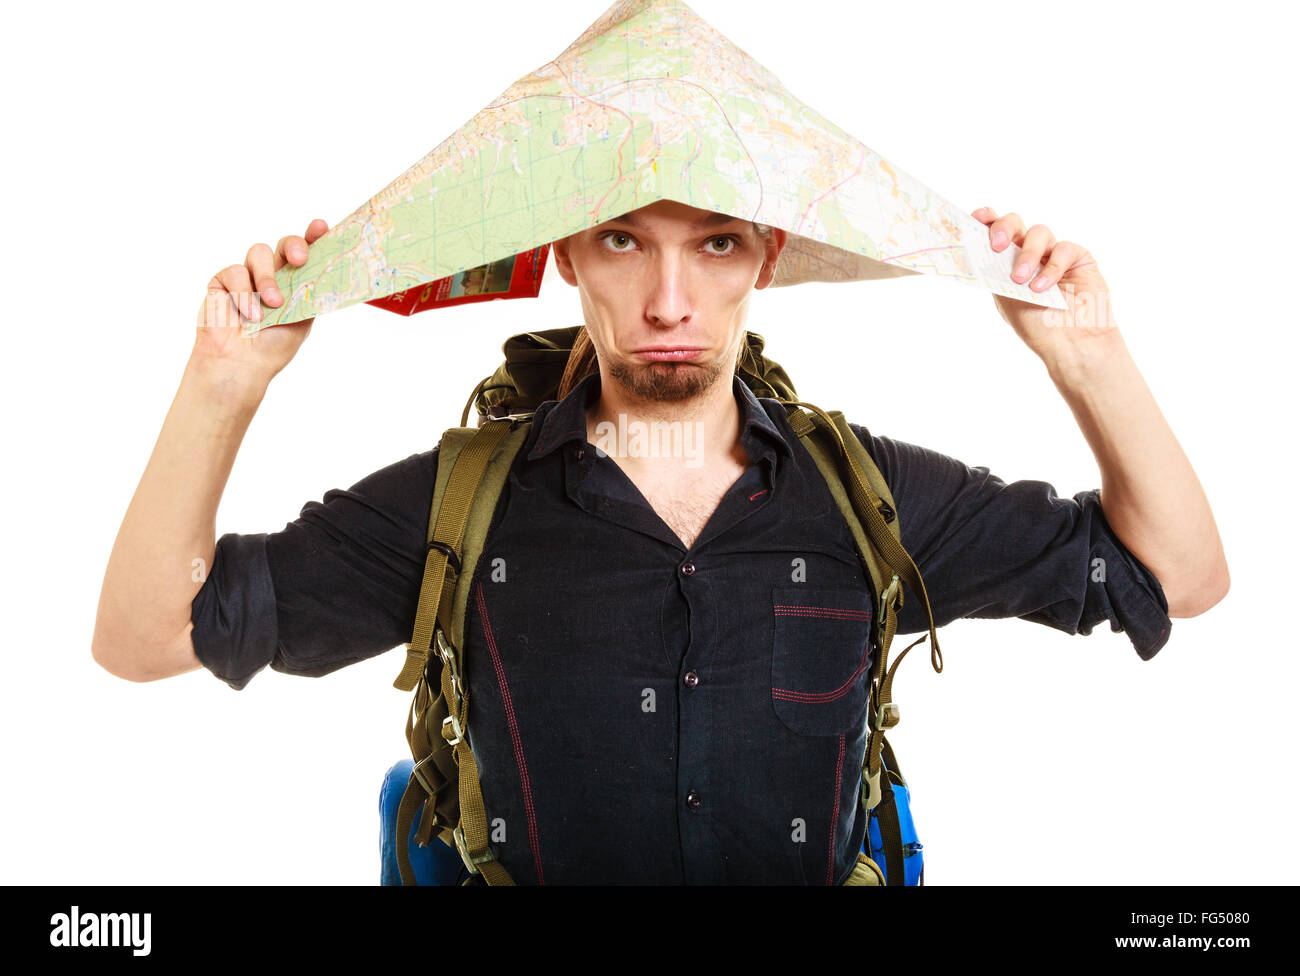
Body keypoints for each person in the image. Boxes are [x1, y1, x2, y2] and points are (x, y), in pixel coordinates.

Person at [91, 199, 1229, 885]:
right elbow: (141, 635)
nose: (670, 298)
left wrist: (1083, 354)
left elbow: (1178, 575)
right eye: (626, 240)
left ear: (765, 257)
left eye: (717, 243)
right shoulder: (456, 510)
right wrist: (221, 382)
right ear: (569, 256)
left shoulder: (865, 494)